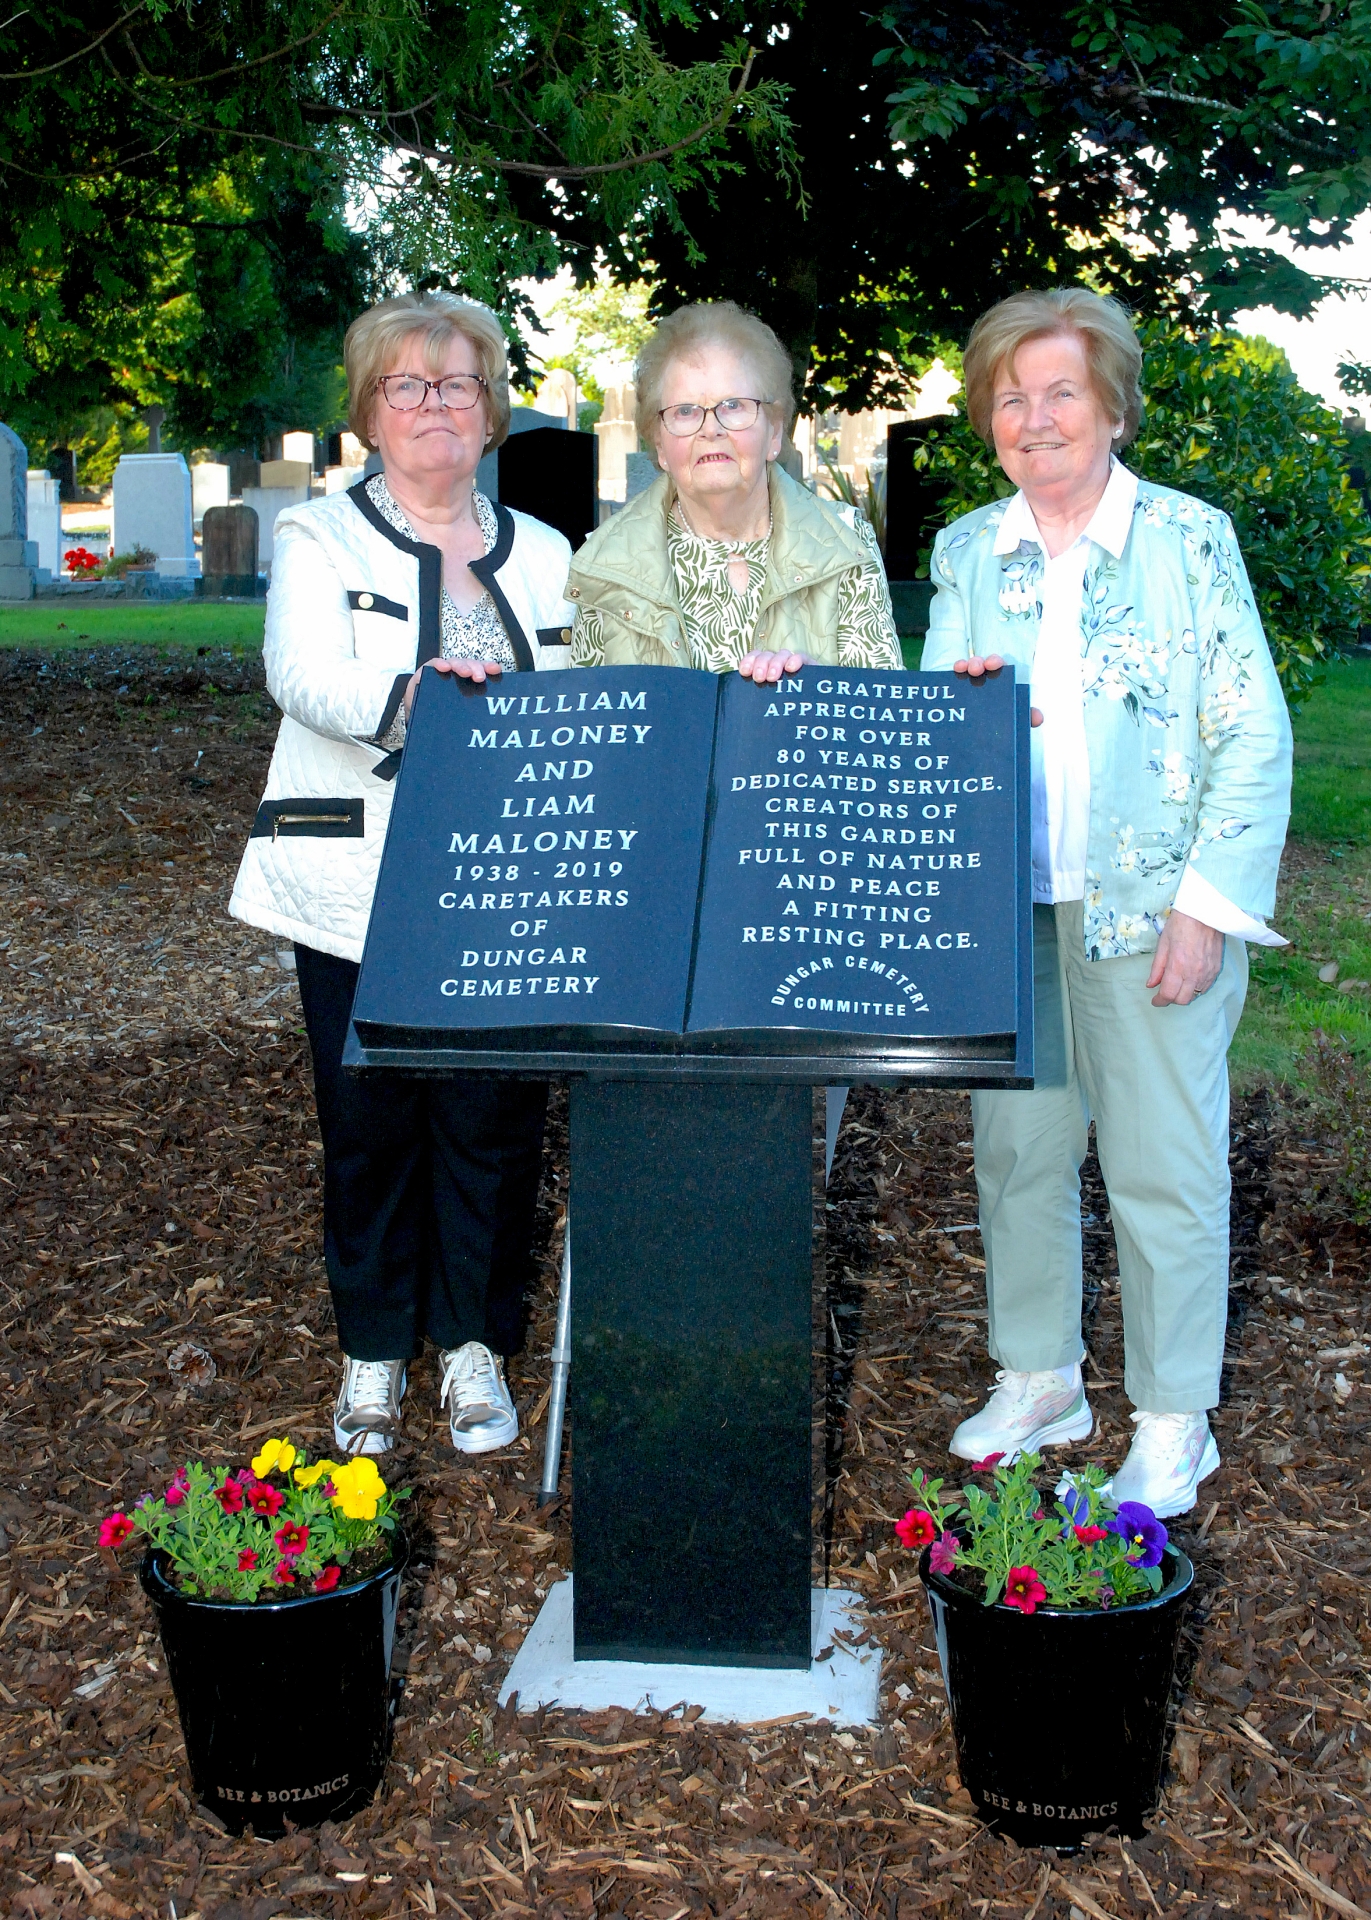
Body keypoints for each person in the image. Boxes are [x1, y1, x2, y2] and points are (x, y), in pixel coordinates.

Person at [921, 288, 1292, 1517]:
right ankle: (1041, 1380)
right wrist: (957, 696)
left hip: (1151, 912)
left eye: (1060, 391)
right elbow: (934, 717)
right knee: (1017, 1156)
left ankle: (1174, 1415)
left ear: (1113, 406)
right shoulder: (970, 549)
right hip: (1012, 910)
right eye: (1010, 398)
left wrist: (1208, 905)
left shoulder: (1190, 540)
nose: (1034, 417)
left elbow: (1253, 735)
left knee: (1162, 1168)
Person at [230, 291, 575, 1458]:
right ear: (372, 411)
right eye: (407, 386)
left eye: (460, 385)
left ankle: (472, 1345)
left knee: (489, 1120)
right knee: (368, 1121)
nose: (435, 406)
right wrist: (410, 707)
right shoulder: (319, 537)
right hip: (356, 878)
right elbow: (300, 672)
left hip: (510, 888)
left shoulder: (549, 555)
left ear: (492, 411)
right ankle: (374, 1354)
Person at [568, 300, 901, 677]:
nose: (711, 429)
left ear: (774, 432)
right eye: (685, 411)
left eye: (734, 405)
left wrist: (817, 689)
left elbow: (881, 718)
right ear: (660, 445)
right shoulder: (607, 560)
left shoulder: (846, 541)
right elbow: (592, 728)